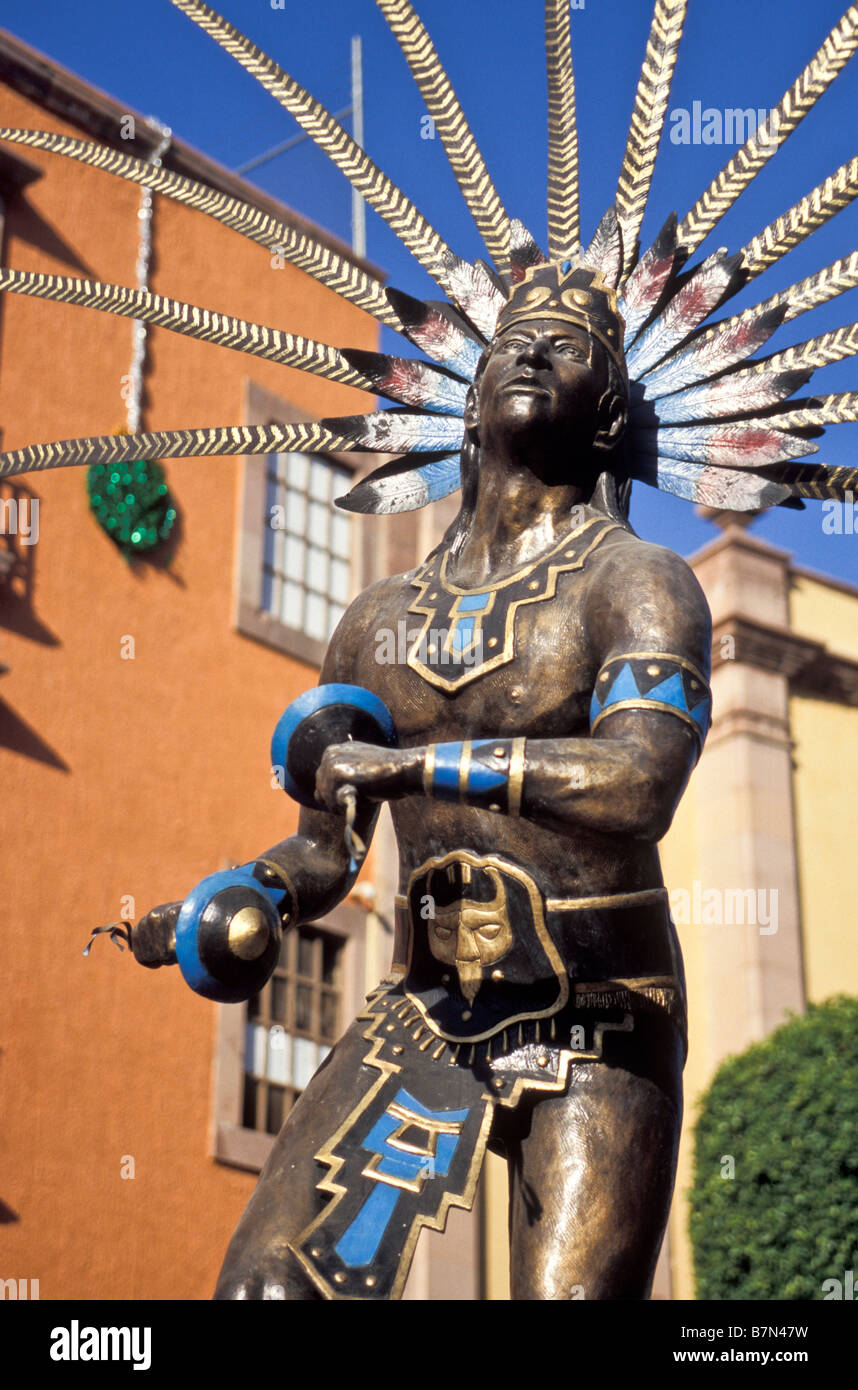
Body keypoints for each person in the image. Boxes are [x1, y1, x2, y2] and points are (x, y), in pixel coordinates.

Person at [132, 263, 713, 1300]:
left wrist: (416, 763)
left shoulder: (640, 582)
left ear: (612, 407)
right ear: (472, 385)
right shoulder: (374, 619)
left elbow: (640, 783)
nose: (534, 354)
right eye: (515, 342)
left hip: (600, 1008)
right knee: (267, 1288)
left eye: (569, 348)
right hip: (429, 1001)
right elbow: (326, 844)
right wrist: (248, 896)